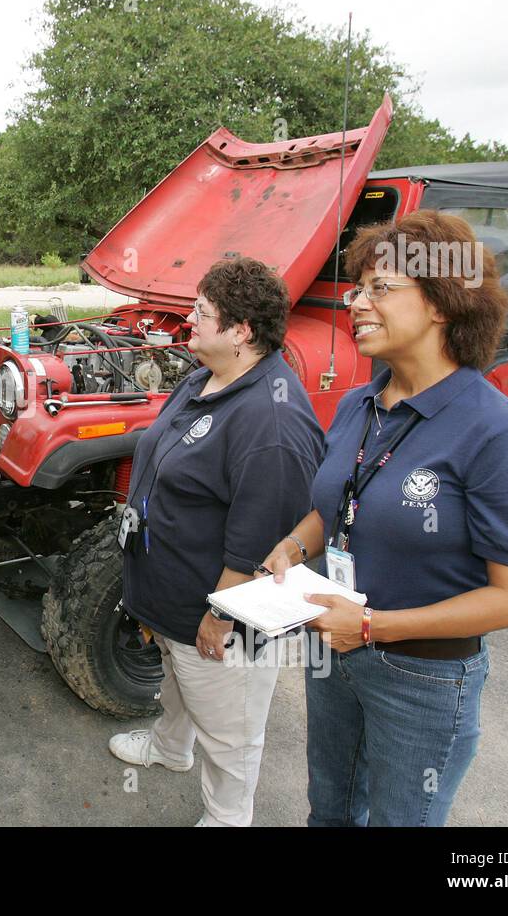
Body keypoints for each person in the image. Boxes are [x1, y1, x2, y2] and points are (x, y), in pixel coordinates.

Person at [261, 210, 508, 826]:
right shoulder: (357, 404)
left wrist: (372, 626)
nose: (356, 305)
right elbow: (339, 503)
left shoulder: (498, 434)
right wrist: (293, 545)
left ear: (443, 303)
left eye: (380, 288)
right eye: (357, 289)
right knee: (331, 812)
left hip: (422, 678)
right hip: (336, 650)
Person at [108, 257, 324, 827]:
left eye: (202, 313)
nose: (188, 319)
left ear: (242, 331)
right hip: (170, 596)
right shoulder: (205, 376)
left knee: (230, 730)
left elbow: (261, 541)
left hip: (218, 613)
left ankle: (229, 816)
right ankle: (171, 748)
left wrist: (220, 617)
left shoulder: (270, 422)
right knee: (178, 683)